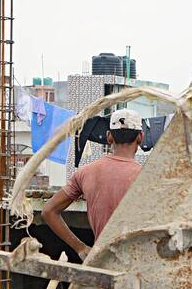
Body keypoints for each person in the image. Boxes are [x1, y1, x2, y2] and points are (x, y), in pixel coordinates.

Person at [41, 108, 144, 261]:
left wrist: (80, 247)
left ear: (109, 137)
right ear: (140, 137)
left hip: (100, 263)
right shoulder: (146, 177)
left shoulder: (85, 173)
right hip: (139, 265)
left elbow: (48, 211)